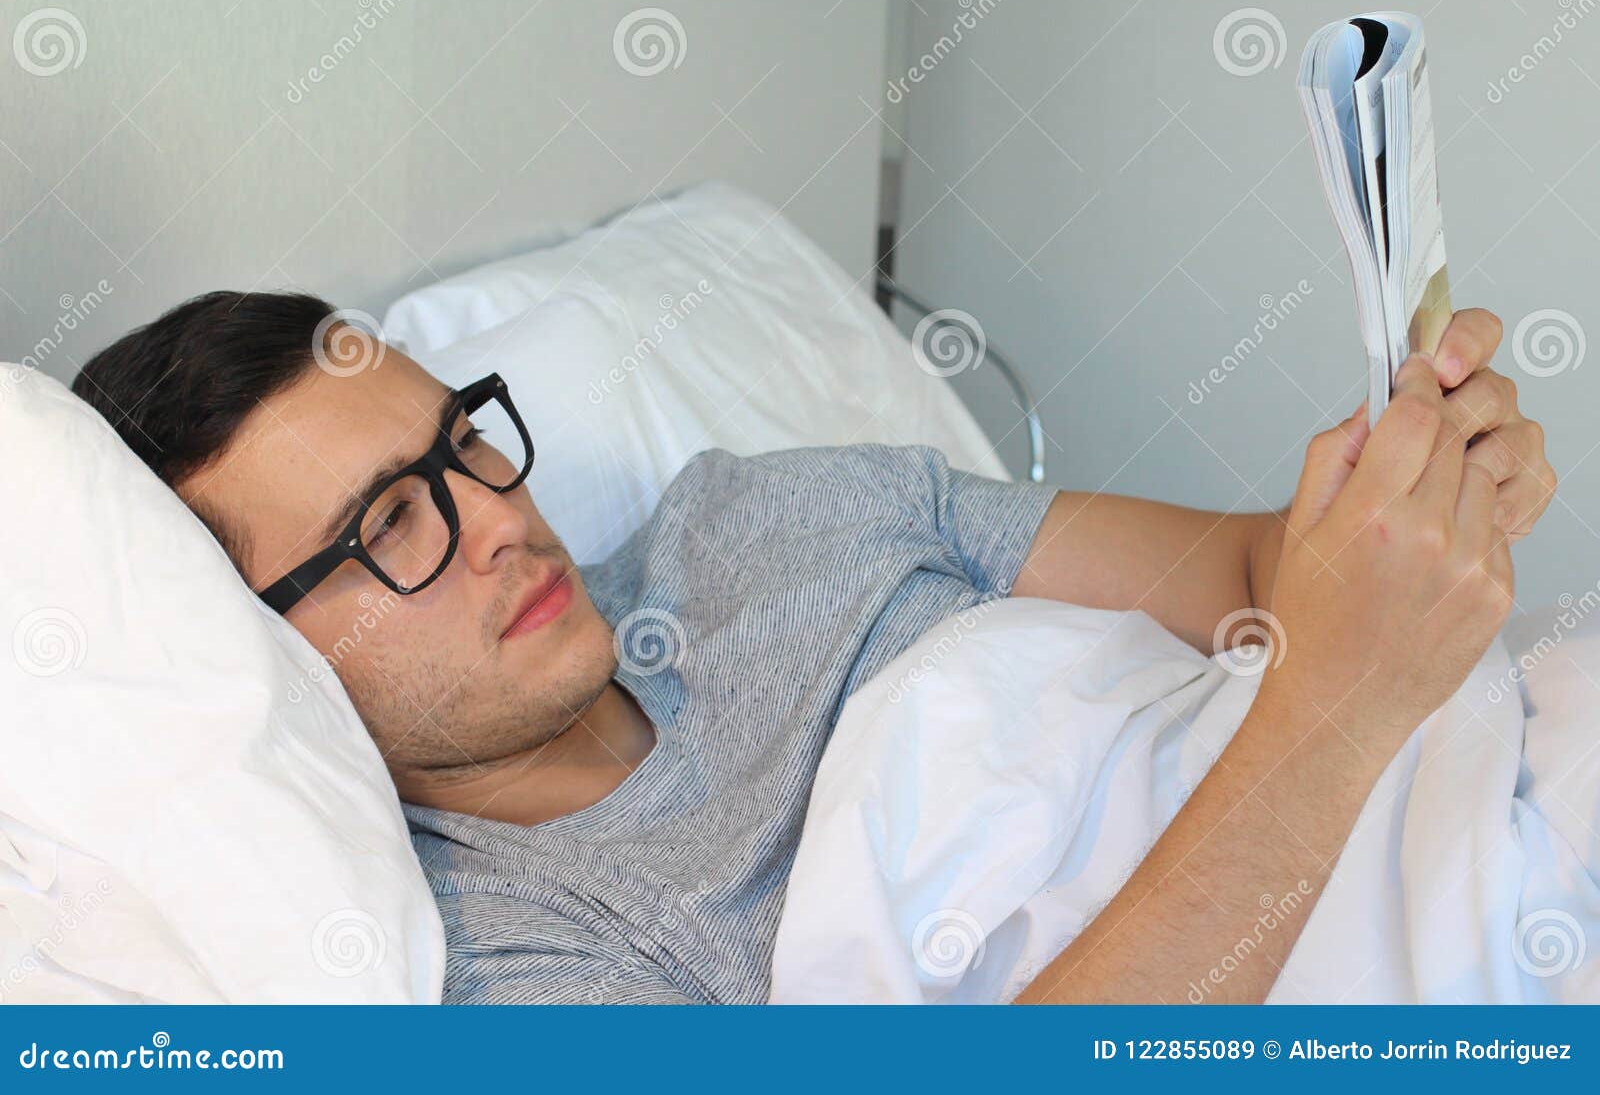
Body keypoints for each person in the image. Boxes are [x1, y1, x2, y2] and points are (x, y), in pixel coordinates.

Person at [73, 291, 1554, 1004]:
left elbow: (1241, 576)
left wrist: (1410, 504)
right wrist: (1338, 711)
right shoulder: (500, 951)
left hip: (1490, 778)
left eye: (464, 442)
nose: (501, 520)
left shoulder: (760, 516)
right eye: (394, 523)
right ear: (260, 659)